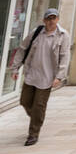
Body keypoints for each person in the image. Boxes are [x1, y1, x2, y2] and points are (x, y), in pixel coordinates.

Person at [10, 8, 70, 146]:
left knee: (39, 105)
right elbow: (22, 49)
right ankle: (37, 118)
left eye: (53, 18)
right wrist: (15, 68)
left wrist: (59, 77)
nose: (51, 21)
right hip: (32, 74)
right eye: (48, 18)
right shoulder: (37, 32)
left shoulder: (62, 35)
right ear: (44, 20)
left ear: (57, 19)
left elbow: (65, 56)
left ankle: (33, 134)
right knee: (24, 101)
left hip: (48, 77)